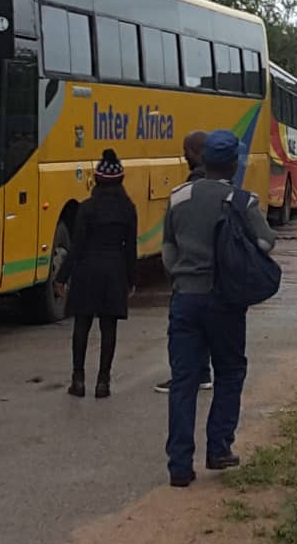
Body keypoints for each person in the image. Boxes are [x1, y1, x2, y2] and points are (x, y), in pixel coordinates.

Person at [162, 130, 277, 488]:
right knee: (229, 372)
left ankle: (179, 466)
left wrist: (183, 275)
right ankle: (219, 448)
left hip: (184, 299)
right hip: (225, 302)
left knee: (184, 380)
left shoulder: (178, 197)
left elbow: (168, 250)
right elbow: (266, 242)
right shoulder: (242, 201)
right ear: (232, 164)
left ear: (204, 160)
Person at [54, 149, 138, 400]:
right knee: (108, 328)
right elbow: (130, 248)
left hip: (86, 270)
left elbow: (77, 246)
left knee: (82, 326)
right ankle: (103, 382)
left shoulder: (87, 208)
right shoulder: (128, 209)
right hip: (114, 271)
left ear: (97, 180)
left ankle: (78, 380)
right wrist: (131, 279)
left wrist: (61, 277)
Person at [155, 131, 214, 394]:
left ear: (194, 153)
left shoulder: (180, 196)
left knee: (182, 336)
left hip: (187, 283)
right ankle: (204, 374)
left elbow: (169, 248)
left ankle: (184, 378)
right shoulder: (228, 193)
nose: (184, 156)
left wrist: (174, 276)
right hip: (217, 283)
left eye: (186, 151)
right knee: (209, 331)